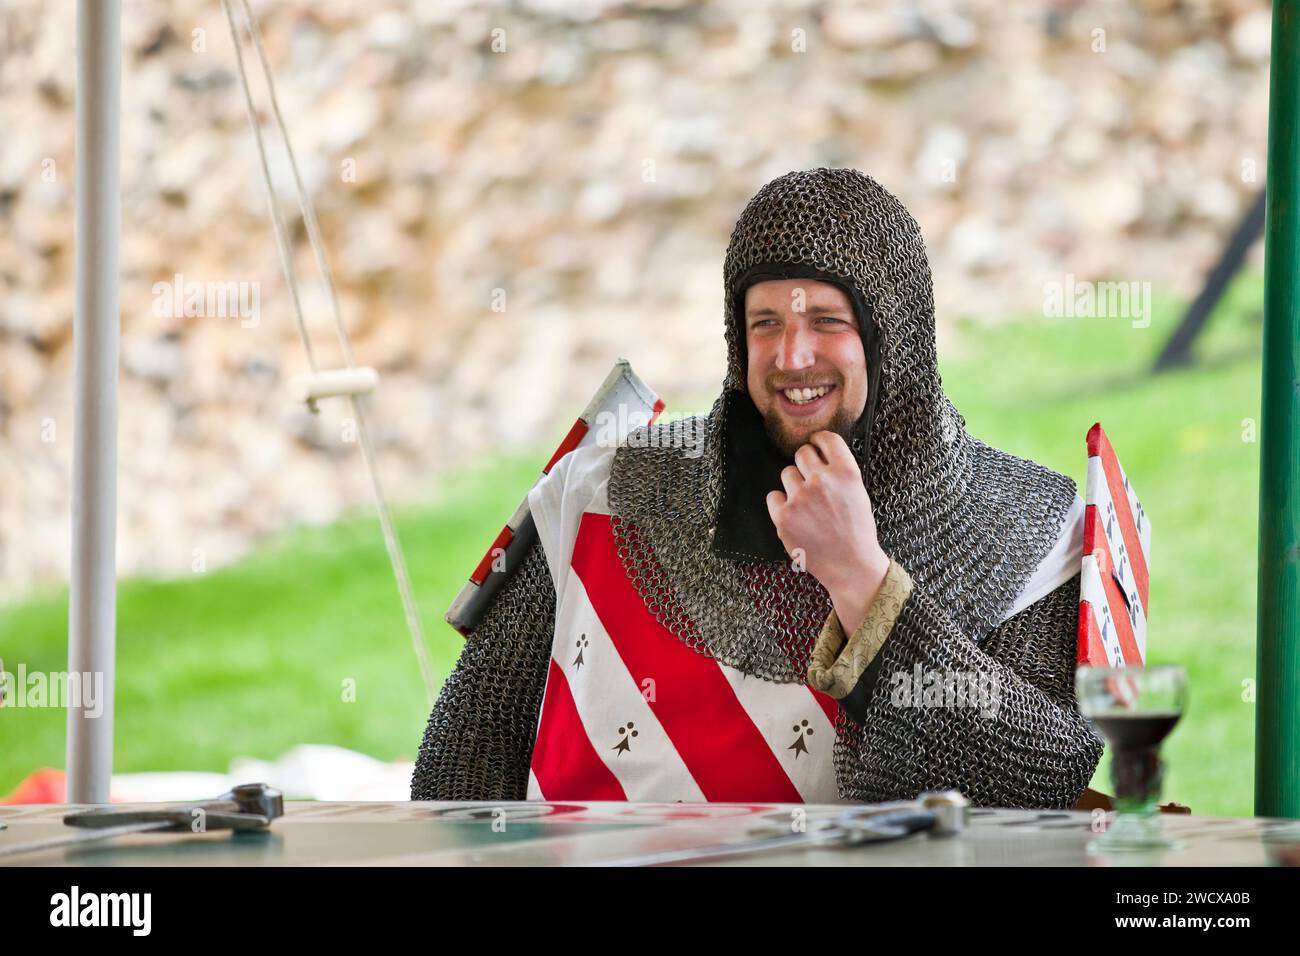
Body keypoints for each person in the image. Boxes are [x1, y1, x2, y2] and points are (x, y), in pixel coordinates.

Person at [412, 167, 1103, 809]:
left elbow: (1036, 791)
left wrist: (862, 579)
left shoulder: (1027, 534)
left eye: (827, 322)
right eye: (764, 323)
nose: (790, 357)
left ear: (891, 332)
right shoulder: (603, 489)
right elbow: (475, 741)